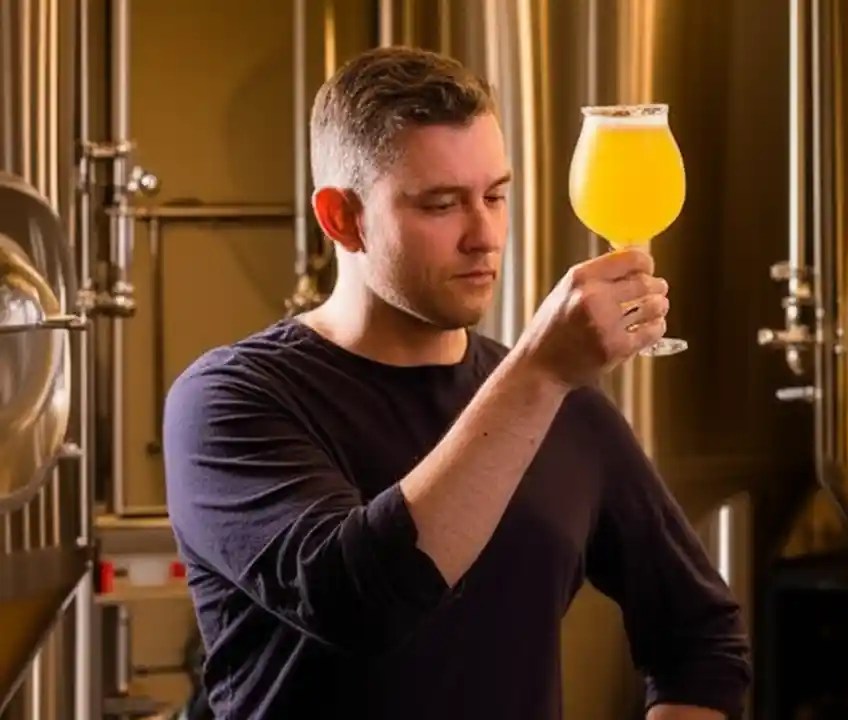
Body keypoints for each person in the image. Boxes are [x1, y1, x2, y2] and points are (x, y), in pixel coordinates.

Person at [161, 46, 751, 720]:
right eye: (442, 205)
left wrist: (543, 377)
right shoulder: (230, 400)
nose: (485, 236)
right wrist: (539, 372)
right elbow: (359, 602)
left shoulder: (562, 401)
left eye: (496, 196)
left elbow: (701, 638)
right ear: (340, 219)